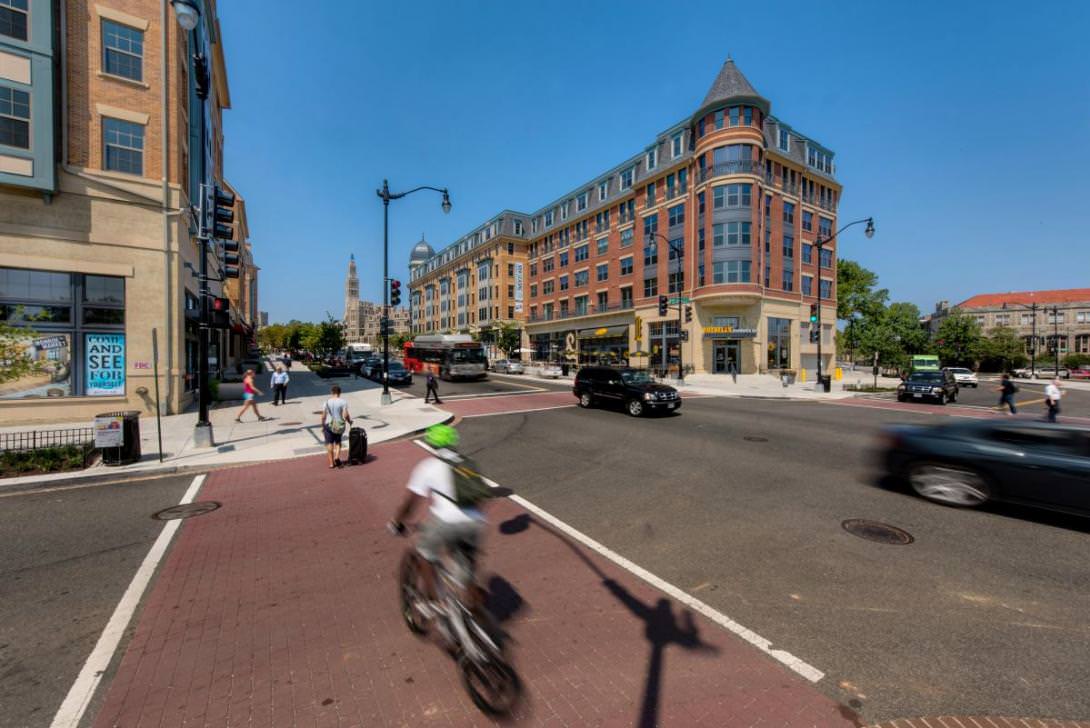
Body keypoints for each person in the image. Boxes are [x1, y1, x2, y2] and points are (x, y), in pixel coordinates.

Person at [388, 424, 487, 612]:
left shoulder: (427, 467)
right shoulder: (468, 464)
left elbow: (410, 504)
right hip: (475, 521)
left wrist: (396, 523)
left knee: (425, 553)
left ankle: (434, 601)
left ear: (432, 444)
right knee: (466, 571)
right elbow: (480, 496)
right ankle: (477, 615)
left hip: (445, 522)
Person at [320, 385, 352, 468]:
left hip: (328, 424)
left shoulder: (326, 402)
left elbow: (323, 416)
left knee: (329, 443)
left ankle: (331, 463)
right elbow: (345, 415)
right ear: (340, 393)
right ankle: (337, 457)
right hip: (339, 424)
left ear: (331, 392)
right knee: (338, 442)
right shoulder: (343, 402)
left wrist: (322, 425)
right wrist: (349, 421)